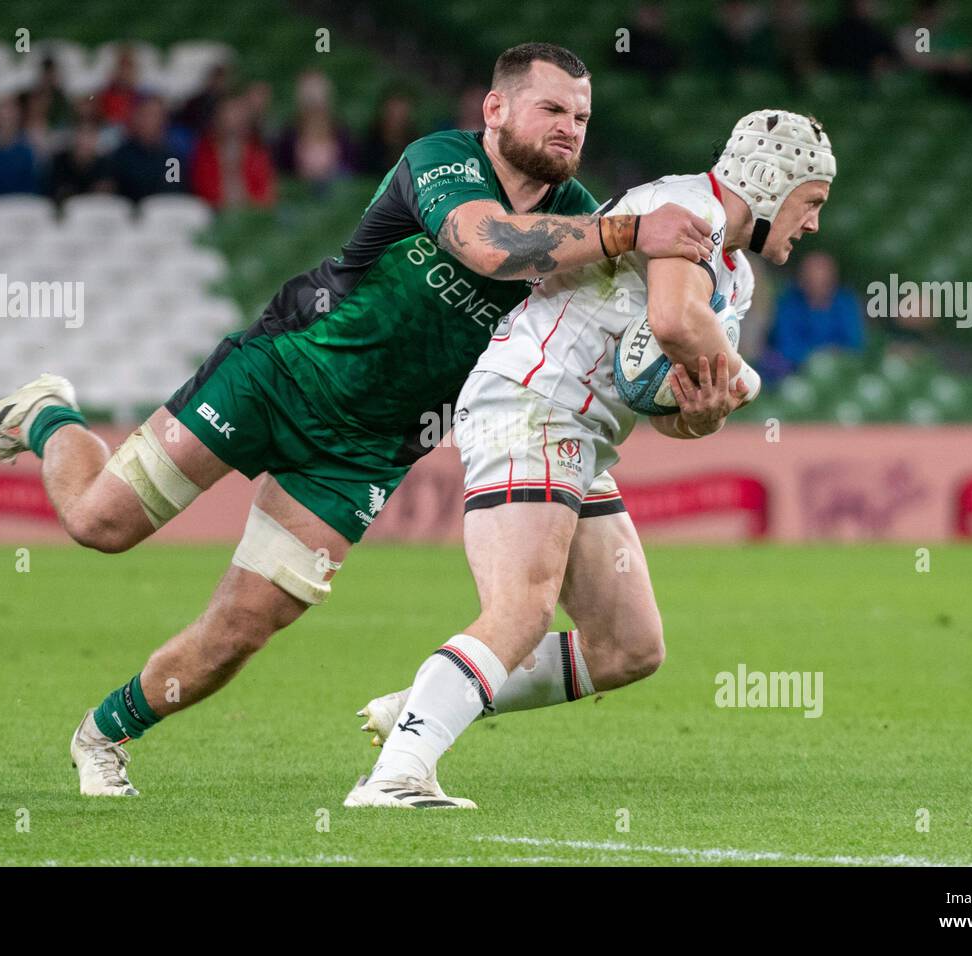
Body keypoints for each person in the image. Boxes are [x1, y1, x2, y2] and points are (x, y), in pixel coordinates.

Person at [0, 43, 715, 799]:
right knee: (101, 523)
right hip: (278, 374)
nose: (569, 128)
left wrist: (693, 399)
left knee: (240, 629)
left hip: (364, 455)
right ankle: (46, 414)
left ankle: (102, 736)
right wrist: (626, 231)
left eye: (581, 116)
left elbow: (617, 355)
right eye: (551, 109)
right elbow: (483, 244)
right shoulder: (442, 160)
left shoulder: (581, 215)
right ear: (496, 108)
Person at [348, 109, 835, 809]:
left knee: (628, 648)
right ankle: (397, 775)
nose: (814, 223)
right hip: (532, 407)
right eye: (811, 201)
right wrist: (745, 379)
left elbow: (664, 400)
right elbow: (670, 323)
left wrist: (702, 412)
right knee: (520, 611)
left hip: (577, 434)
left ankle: (433, 700)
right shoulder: (685, 210)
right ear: (769, 181)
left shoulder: (738, 278)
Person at [764, 250, 863, 376]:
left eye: (823, 281)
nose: (816, 285)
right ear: (801, 279)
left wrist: (834, 356)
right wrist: (816, 357)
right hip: (795, 369)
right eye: (810, 280)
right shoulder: (788, 302)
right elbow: (785, 344)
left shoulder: (846, 303)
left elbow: (855, 344)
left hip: (839, 368)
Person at [190, 94, 276, 208]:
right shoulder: (204, 150)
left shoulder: (257, 153)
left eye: (239, 113)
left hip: (251, 215)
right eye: (229, 113)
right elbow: (203, 193)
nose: (235, 119)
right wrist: (227, 168)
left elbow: (266, 196)